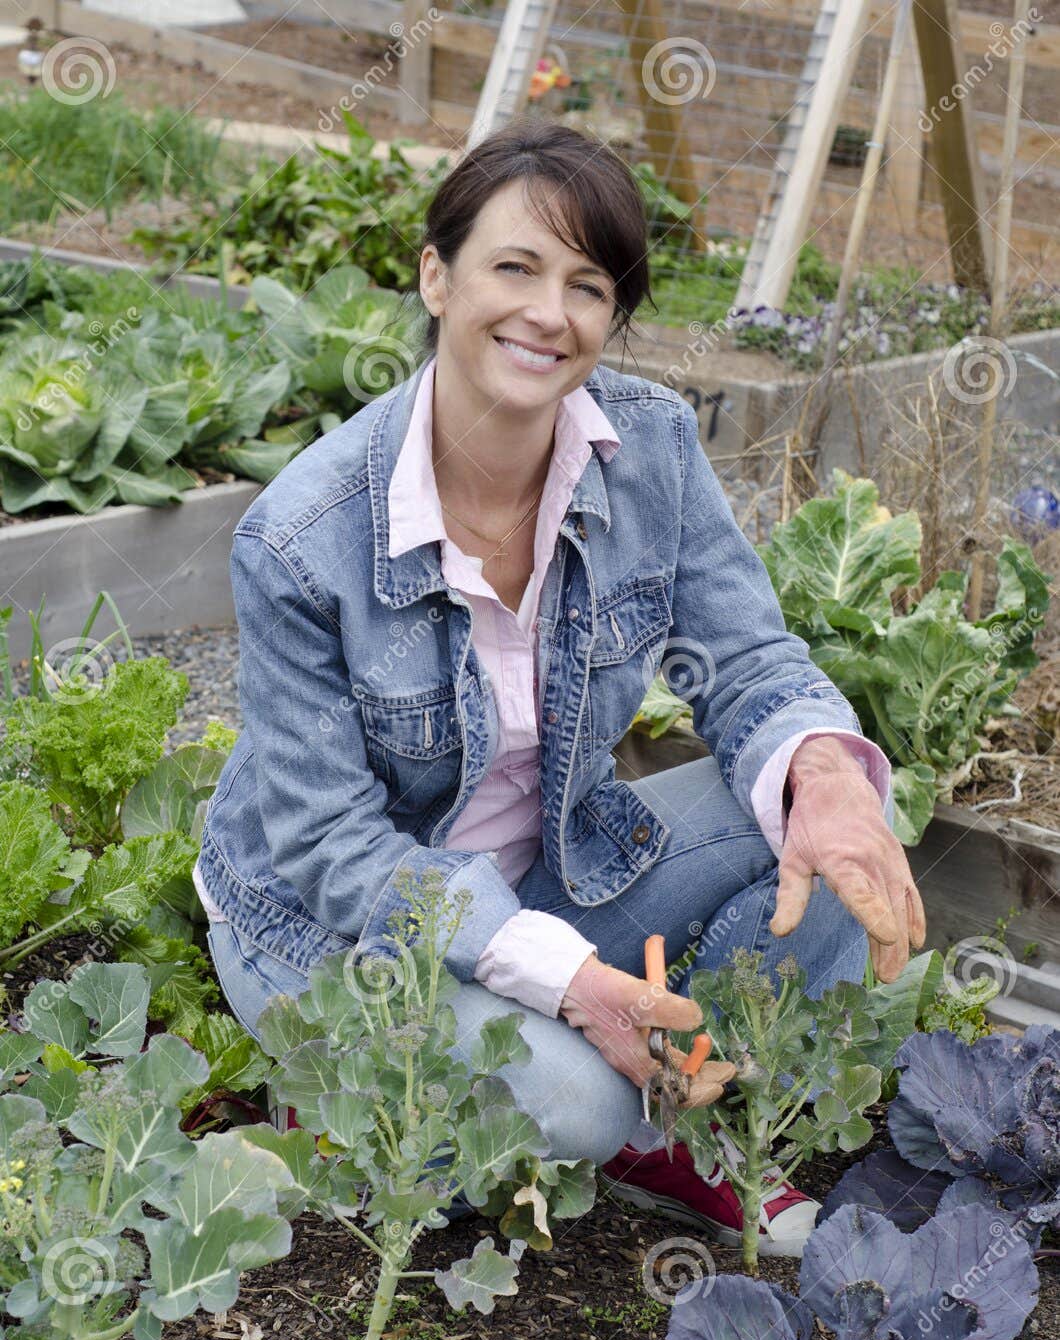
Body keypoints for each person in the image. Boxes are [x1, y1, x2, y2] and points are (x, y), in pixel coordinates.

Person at [194, 117, 925, 1258]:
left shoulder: (650, 449)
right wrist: (571, 979)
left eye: (588, 285)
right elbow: (331, 846)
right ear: (437, 276)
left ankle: (684, 1103)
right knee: (576, 1103)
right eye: (514, 267)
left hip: (553, 869)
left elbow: (745, 663)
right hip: (329, 921)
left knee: (832, 822)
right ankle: (390, 1106)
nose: (549, 313)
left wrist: (824, 773)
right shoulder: (301, 536)